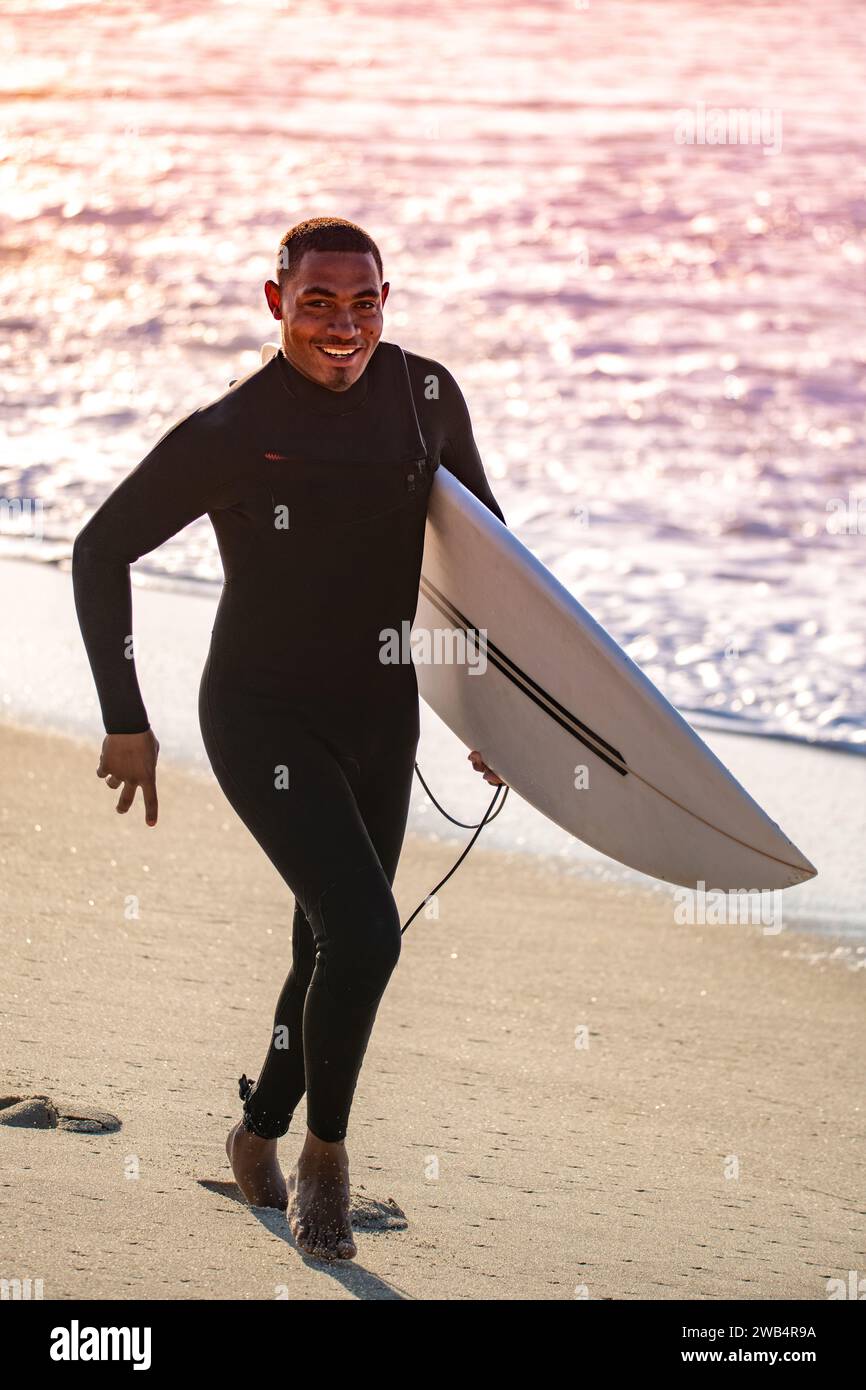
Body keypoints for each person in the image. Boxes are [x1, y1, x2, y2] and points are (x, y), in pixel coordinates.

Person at [72, 216, 506, 1261]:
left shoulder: (425, 395)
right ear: (275, 304)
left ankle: (253, 1131)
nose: (343, 325)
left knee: (325, 939)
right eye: (317, 301)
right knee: (365, 933)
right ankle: (324, 1157)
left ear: (386, 300)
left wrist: (504, 721)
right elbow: (100, 549)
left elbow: (490, 561)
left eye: (364, 301)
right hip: (260, 713)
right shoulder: (234, 432)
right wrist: (127, 720)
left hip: (379, 711)